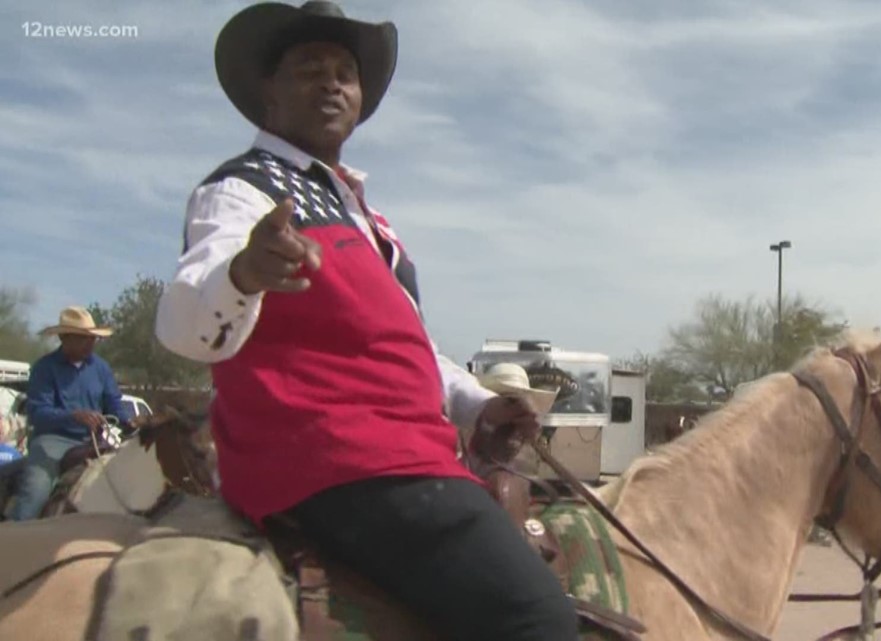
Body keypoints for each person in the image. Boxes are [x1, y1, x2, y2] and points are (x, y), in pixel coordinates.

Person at [153, 3, 578, 639]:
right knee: (538, 618)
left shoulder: (367, 220)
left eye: (344, 73)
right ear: (267, 93)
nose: (331, 83)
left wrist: (477, 405)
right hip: (336, 460)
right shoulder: (241, 190)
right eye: (308, 69)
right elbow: (184, 324)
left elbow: (410, 349)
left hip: (404, 456)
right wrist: (243, 273)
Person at [7, 306, 135, 521]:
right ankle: (16, 536)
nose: (91, 342)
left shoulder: (101, 368)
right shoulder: (44, 368)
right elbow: (38, 412)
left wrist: (129, 421)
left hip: (92, 441)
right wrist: (74, 416)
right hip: (51, 442)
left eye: (93, 338)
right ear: (64, 338)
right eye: (84, 338)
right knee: (35, 491)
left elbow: (114, 403)